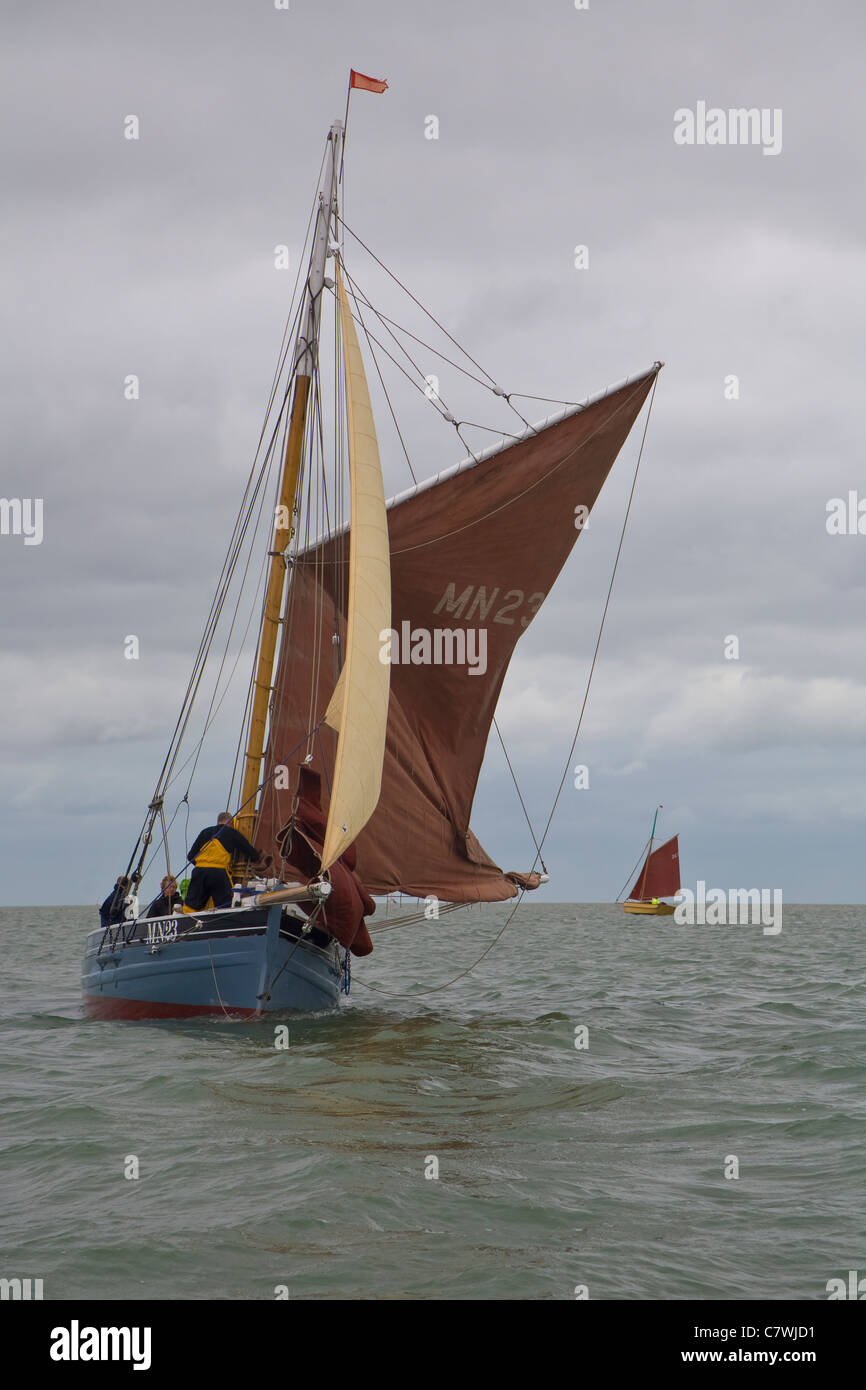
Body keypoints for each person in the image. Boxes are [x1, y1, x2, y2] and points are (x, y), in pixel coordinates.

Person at [184, 813, 265, 913]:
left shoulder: (205, 832)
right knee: (224, 906)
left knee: (192, 906)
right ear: (231, 822)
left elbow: (190, 856)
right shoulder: (231, 833)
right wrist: (257, 857)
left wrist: (203, 865)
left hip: (199, 871)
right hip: (217, 873)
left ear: (218, 822)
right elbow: (250, 852)